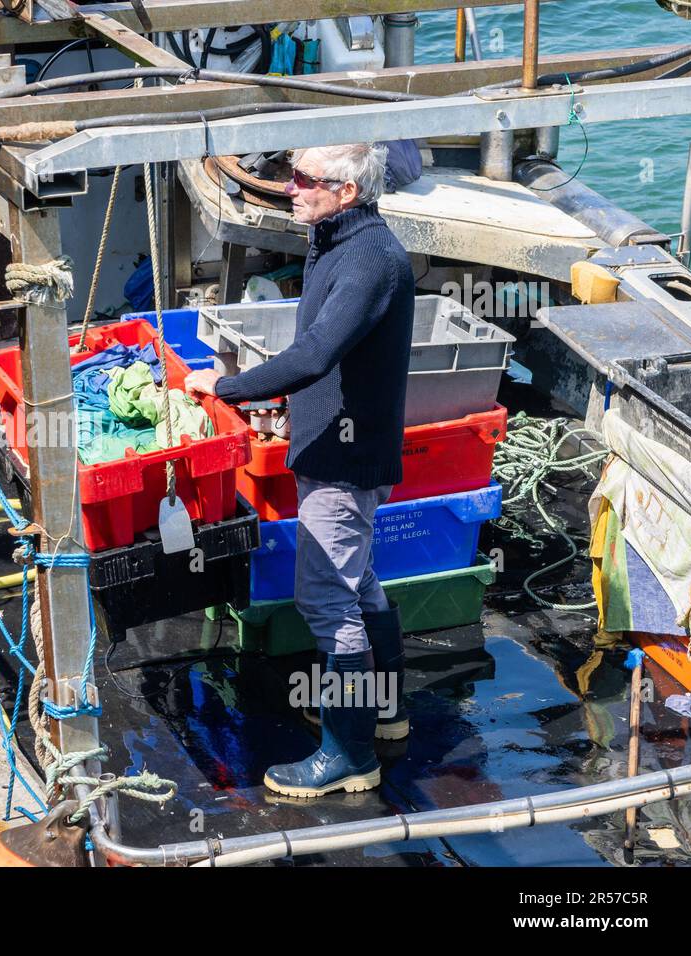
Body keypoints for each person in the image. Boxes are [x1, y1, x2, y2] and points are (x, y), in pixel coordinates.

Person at [185, 142, 415, 799]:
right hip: (337, 446)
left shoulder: (370, 260)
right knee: (358, 579)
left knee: (326, 599)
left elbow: (313, 355)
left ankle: (348, 754)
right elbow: (329, 358)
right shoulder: (338, 240)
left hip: (345, 462)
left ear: (346, 192)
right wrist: (286, 410)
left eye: (304, 180)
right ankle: (385, 711)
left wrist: (226, 387)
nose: (290, 189)